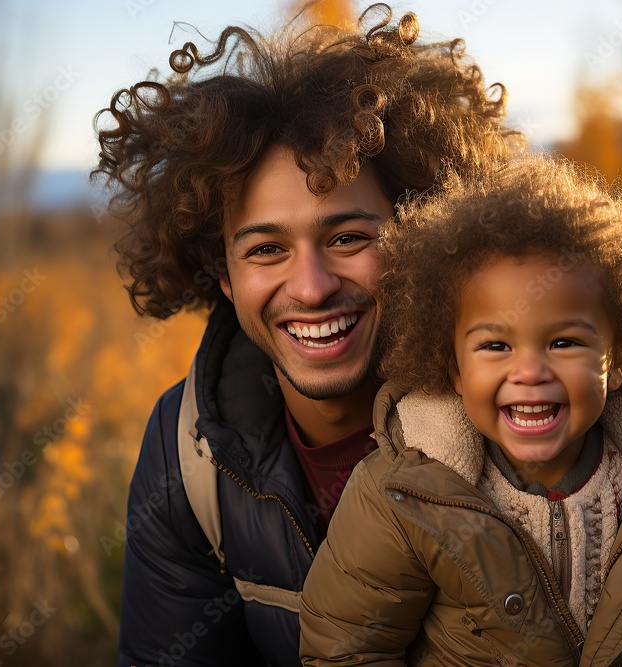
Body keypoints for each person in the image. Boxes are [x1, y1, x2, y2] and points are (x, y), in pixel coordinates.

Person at [92, 5, 518, 665]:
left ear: (423, 237)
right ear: (225, 276)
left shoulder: (530, 400)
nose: (313, 286)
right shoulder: (188, 453)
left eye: (347, 238)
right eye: (266, 250)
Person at [299, 154, 622, 666]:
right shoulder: (405, 492)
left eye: (564, 343)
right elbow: (346, 646)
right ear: (453, 369)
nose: (530, 372)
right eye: (495, 347)